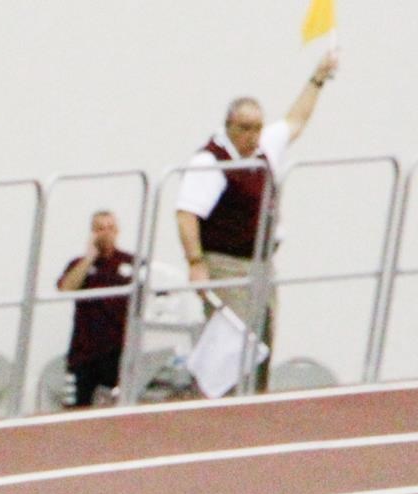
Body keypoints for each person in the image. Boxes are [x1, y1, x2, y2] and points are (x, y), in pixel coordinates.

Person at [174, 50, 338, 390]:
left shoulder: (264, 148)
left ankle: (254, 401)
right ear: (230, 126)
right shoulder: (211, 161)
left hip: (262, 263)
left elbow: (295, 122)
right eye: (244, 128)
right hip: (227, 264)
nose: (252, 135)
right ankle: (217, 402)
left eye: (256, 128)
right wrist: (196, 262)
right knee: (232, 342)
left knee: (262, 335)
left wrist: (317, 79)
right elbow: (187, 212)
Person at [54, 210, 135, 407]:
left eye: (110, 228)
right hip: (85, 352)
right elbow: (65, 288)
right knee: (79, 408)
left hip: (119, 350)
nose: (106, 233)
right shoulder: (78, 264)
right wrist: (89, 257)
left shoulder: (130, 262)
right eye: (100, 228)